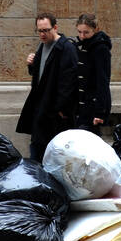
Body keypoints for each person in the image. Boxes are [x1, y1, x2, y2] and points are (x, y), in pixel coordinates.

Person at [16, 11, 78, 161]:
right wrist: (32, 64)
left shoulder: (65, 48)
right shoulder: (42, 46)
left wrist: (60, 109)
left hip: (54, 112)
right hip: (40, 107)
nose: (42, 34)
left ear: (55, 28)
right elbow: (41, 75)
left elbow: (68, 82)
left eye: (46, 30)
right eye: (39, 31)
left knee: (52, 154)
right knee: (37, 148)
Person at [74, 13, 112, 134]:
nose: (82, 36)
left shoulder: (101, 48)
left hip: (92, 105)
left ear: (95, 29)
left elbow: (103, 81)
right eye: (79, 32)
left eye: (86, 32)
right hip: (79, 104)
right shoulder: (81, 45)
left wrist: (100, 112)